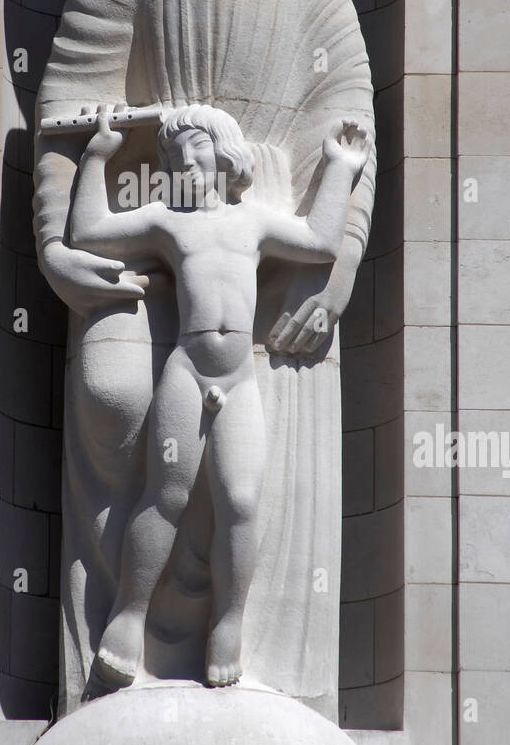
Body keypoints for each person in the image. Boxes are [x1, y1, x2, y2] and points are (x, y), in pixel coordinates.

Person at [69, 102, 371, 687]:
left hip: (238, 380)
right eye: (176, 152)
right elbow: (88, 232)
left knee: (240, 500)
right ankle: (129, 617)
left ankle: (228, 625)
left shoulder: (252, 221)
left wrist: (339, 165)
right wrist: (97, 156)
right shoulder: (167, 220)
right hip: (187, 370)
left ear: (226, 152)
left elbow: (320, 241)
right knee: (167, 495)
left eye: (199, 146)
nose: (188, 157)